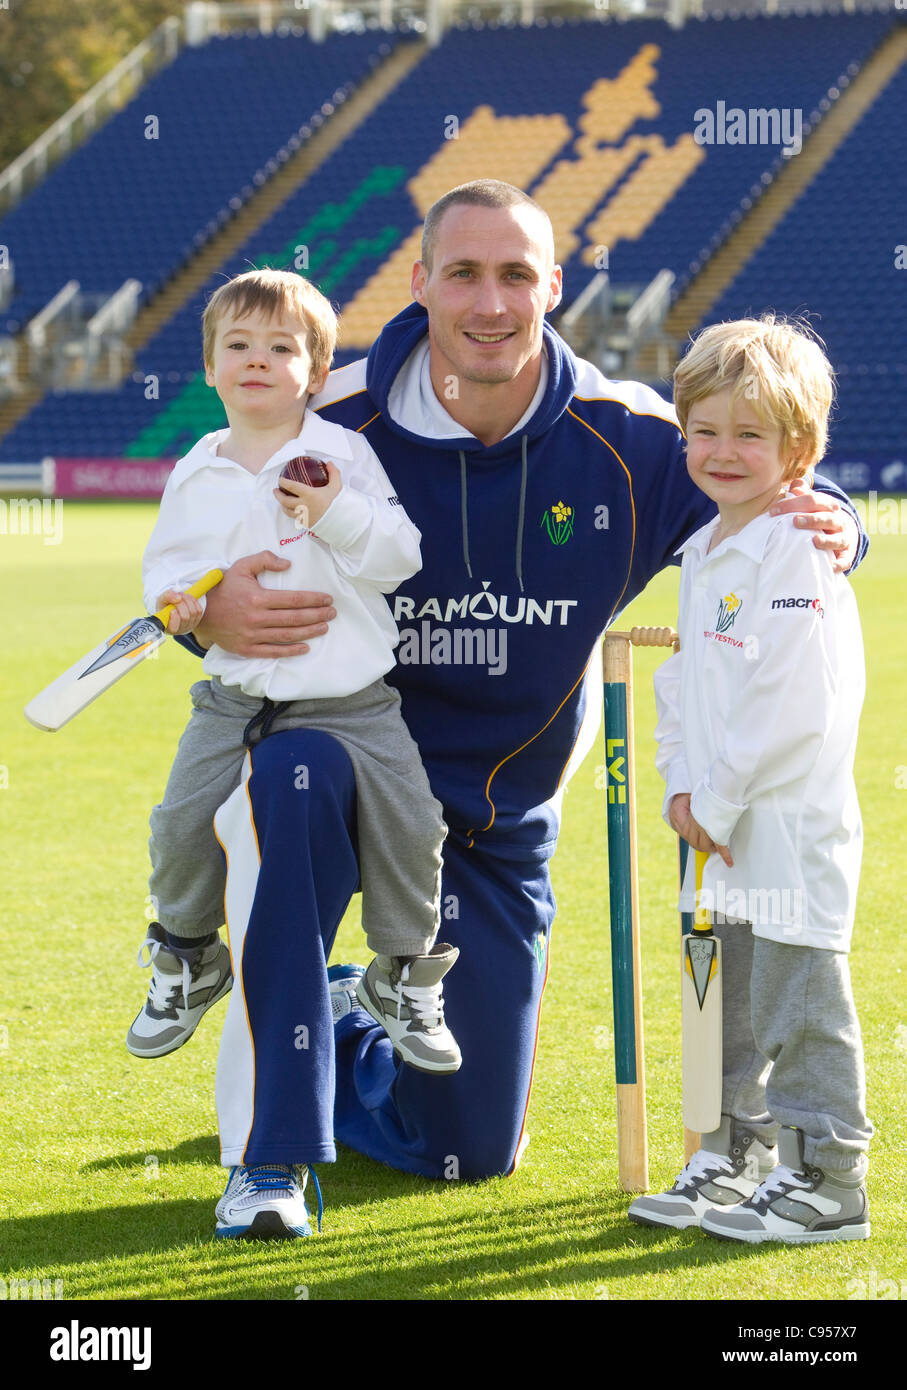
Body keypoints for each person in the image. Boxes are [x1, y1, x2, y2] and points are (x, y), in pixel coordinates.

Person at [175, 182, 866, 1239]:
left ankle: (347, 1015)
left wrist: (838, 524)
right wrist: (201, 612)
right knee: (288, 780)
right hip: (339, 770)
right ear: (420, 284)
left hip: (494, 821)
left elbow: (768, 497)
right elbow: (190, 540)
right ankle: (268, 1158)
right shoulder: (333, 417)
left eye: (513, 274)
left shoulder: (630, 439)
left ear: (550, 285)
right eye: (463, 272)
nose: (489, 301)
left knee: (467, 1147)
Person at [129, 269, 462, 1230]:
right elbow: (166, 584)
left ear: (316, 371)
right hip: (232, 703)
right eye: (239, 347)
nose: (258, 362)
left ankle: (403, 973)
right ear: (210, 368)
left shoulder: (338, 455)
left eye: (280, 349)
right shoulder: (196, 466)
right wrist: (186, 604)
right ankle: (186, 954)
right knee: (181, 824)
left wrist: (332, 515)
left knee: (410, 824)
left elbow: (400, 557)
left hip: (352, 702)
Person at [627, 317, 870, 1244]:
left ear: (797, 450)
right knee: (719, 991)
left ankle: (827, 1180)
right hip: (715, 827)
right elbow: (684, 676)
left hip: (783, 828)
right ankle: (732, 1158)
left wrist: (717, 799)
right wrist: (681, 787)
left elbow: (789, 703)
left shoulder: (798, 546)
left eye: (749, 434)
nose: (722, 453)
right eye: (705, 431)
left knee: (798, 995)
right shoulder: (703, 549)